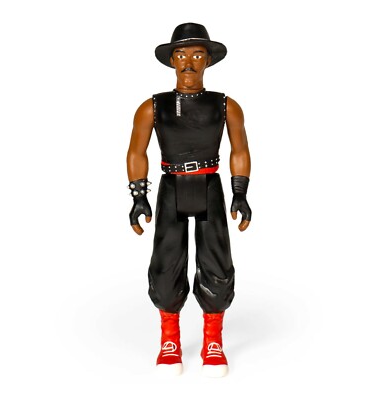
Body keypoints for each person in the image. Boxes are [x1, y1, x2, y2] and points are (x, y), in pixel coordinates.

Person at [126, 23, 252, 377]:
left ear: (208, 60)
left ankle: (213, 341)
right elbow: (136, 152)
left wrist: (240, 192)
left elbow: (240, 150)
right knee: (166, 262)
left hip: (210, 185)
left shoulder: (225, 105)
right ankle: (170, 340)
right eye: (181, 55)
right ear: (172, 61)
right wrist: (139, 196)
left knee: (217, 261)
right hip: (172, 186)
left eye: (197, 55)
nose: (188, 63)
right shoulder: (153, 107)